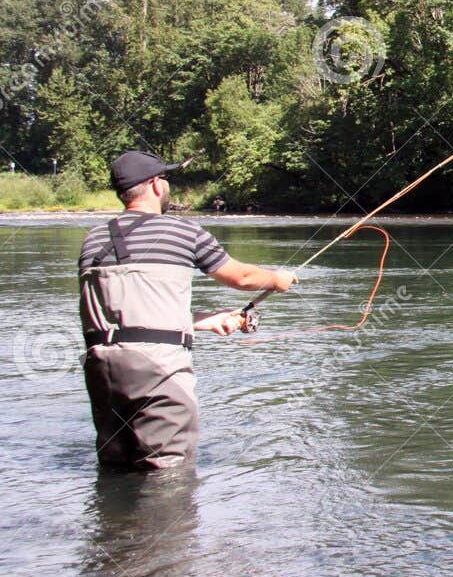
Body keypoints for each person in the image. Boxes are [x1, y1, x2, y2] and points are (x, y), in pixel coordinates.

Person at [78, 150, 298, 469]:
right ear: (155, 185)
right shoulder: (181, 231)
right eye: (165, 179)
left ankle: (113, 522)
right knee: (167, 476)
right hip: (157, 373)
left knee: (116, 469)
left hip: (102, 371)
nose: (167, 186)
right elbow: (242, 277)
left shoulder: (94, 239)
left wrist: (208, 321)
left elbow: (123, 317)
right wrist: (276, 279)